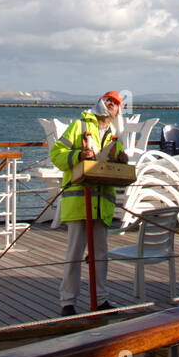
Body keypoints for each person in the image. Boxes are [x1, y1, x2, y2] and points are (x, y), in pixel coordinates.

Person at [50, 91, 128, 315]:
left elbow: (116, 162)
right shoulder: (79, 127)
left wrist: (123, 159)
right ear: (100, 103)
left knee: (100, 255)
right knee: (74, 253)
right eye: (109, 101)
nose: (111, 105)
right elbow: (56, 154)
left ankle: (101, 299)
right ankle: (68, 302)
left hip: (102, 203)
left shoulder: (114, 136)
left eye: (116, 104)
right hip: (78, 200)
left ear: (118, 111)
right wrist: (78, 156)